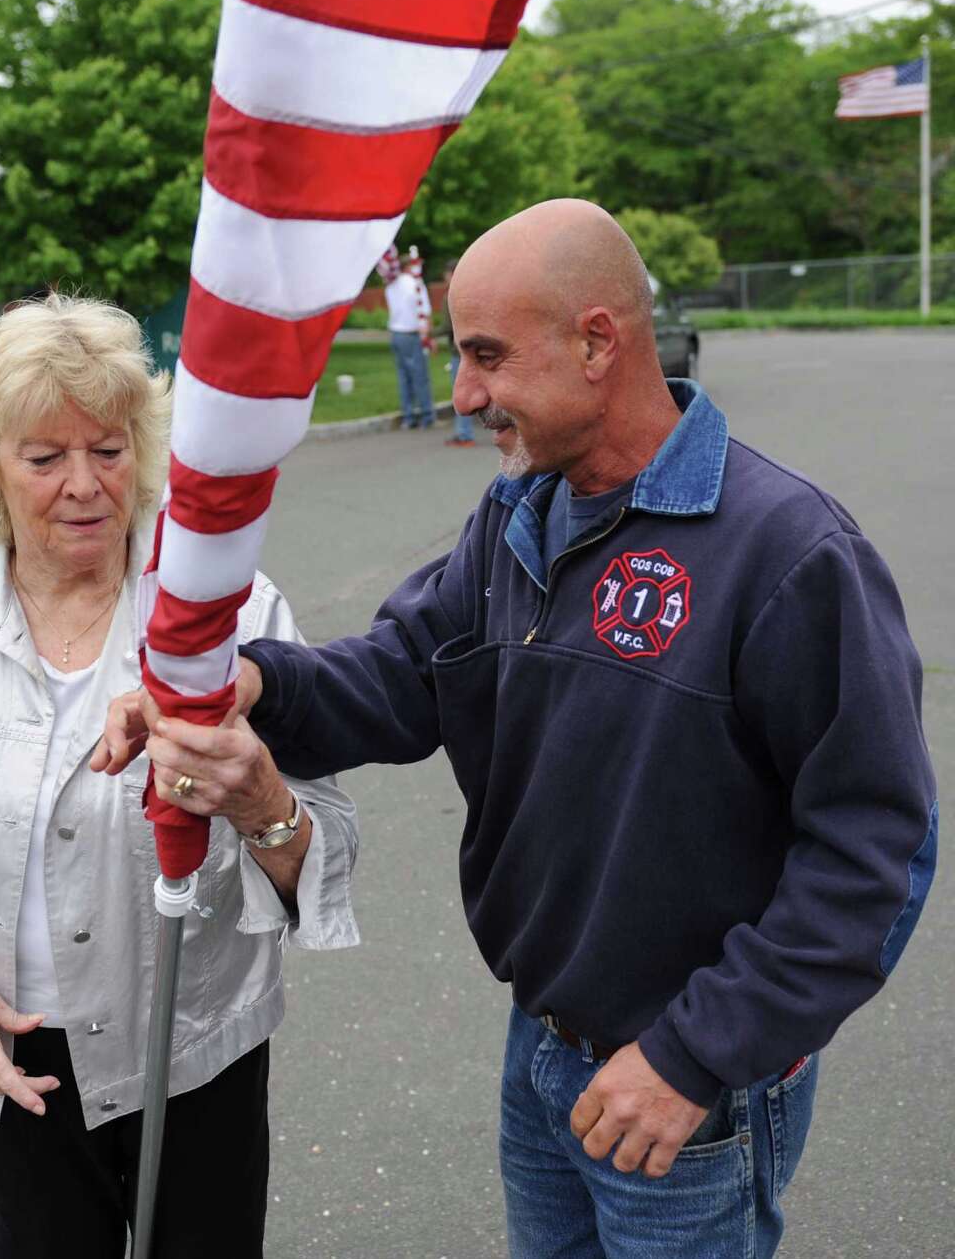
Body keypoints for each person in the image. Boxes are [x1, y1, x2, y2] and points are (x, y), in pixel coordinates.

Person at [106, 200, 939, 1259]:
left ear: (599, 341)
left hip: (682, 1091)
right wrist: (248, 684)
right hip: (542, 1046)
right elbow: (407, 673)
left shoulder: (786, 552)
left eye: (488, 356)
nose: (464, 395)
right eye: (459, 356)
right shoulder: (518, 513)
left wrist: (694, 1056)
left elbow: (878, 852)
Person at [0, 294, 359, 1259]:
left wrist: (261, 799)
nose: (84, 485)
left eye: (107, 449)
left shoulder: (222, 610)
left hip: (195, 1058)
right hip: (2, 1059)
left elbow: (326, 838)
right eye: (44, 456)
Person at [380, 242, 435, 430]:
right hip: (412, 334)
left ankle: (408, 415)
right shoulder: (416, 285)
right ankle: (427, 415)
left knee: (404, 377)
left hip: (396, 333)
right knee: (420, 376)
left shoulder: (391, 285)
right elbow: (425, 312)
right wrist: (429, 337)